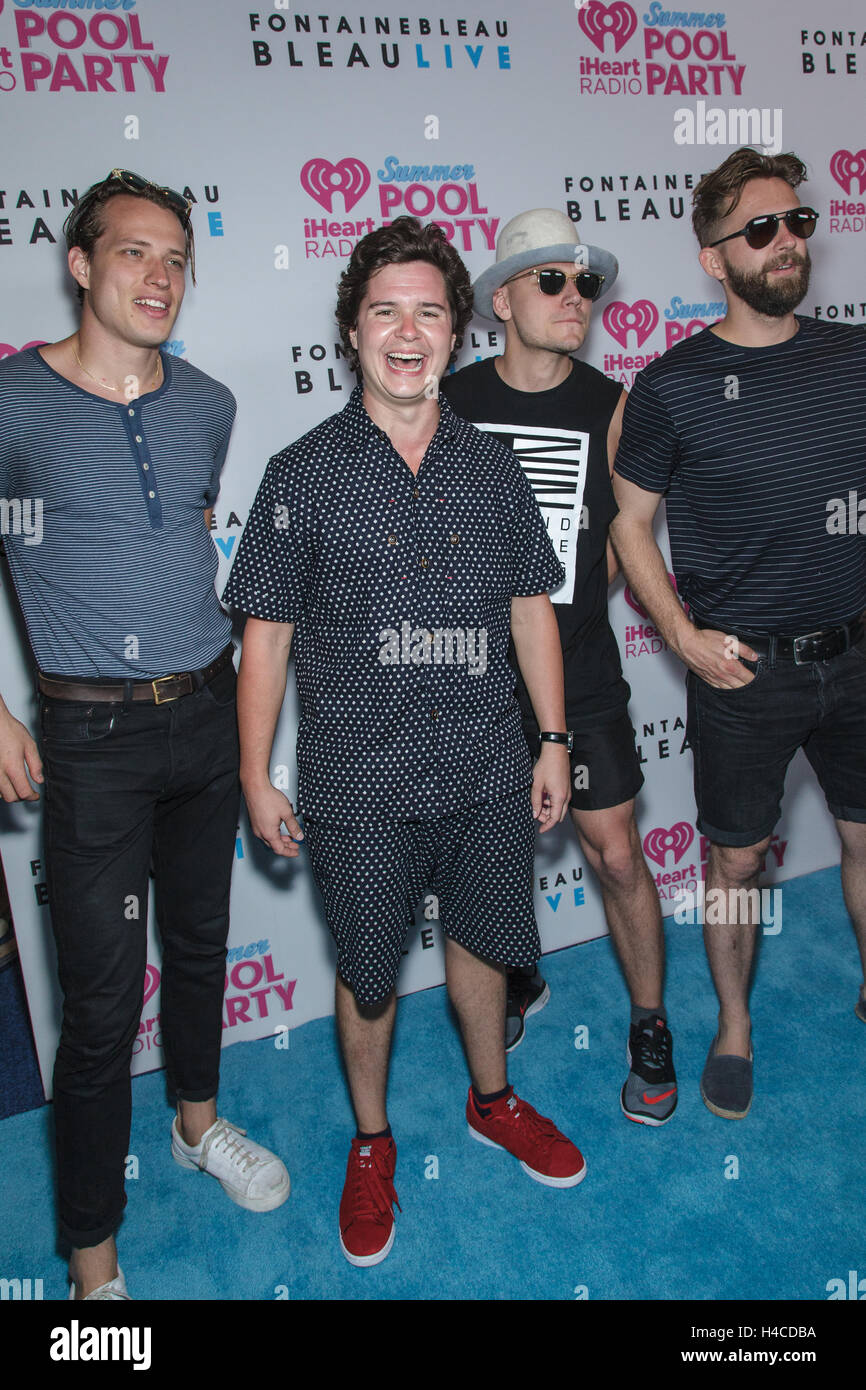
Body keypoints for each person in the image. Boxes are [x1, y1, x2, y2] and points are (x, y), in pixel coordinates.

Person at [224, 215, 586, 1269]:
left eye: (429, 310)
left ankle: (490, 1099)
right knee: (371, 970)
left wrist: (552, 740)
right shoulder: (300, 474)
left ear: (458, 331)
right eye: (384, 309)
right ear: (350, 331)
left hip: (483, 764)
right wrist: (255, 773)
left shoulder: (493, 466)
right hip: (357, 781)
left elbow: (530, 612)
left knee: (481, 940)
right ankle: (373, 1142)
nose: (407, 330)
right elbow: (266, 638)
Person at [0, 170, 289, 1301]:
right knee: (101, 1010)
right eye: (133, 253)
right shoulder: (15, 402)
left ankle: (196, 1124)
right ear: (80, 264)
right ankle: (93, 1268)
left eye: (176, 256)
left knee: (205, 951)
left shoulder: (208, 400)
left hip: (206, 717)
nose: (160, 275)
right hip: (90, 743)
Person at [611, 147, 866, 1119]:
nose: (785, 240)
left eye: (794, 222)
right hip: (741, 675)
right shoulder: (670, 385)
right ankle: (731, 1023)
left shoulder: (851, 357)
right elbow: (628, 525)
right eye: (759, 228)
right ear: (714, 259)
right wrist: (678, 635)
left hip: (855, 652)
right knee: (733, 862)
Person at [442, 209, 677, 1126]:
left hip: (577, 668)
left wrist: (572, 612)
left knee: (616, 852)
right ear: (503, 299)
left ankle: (650, 1022)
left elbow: (626, 533)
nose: (575, 297)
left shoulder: (612, 404)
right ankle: (517, 972)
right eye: (552, 281)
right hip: (470, 676)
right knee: (483, 856)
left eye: (586, 283)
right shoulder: (452, 403)